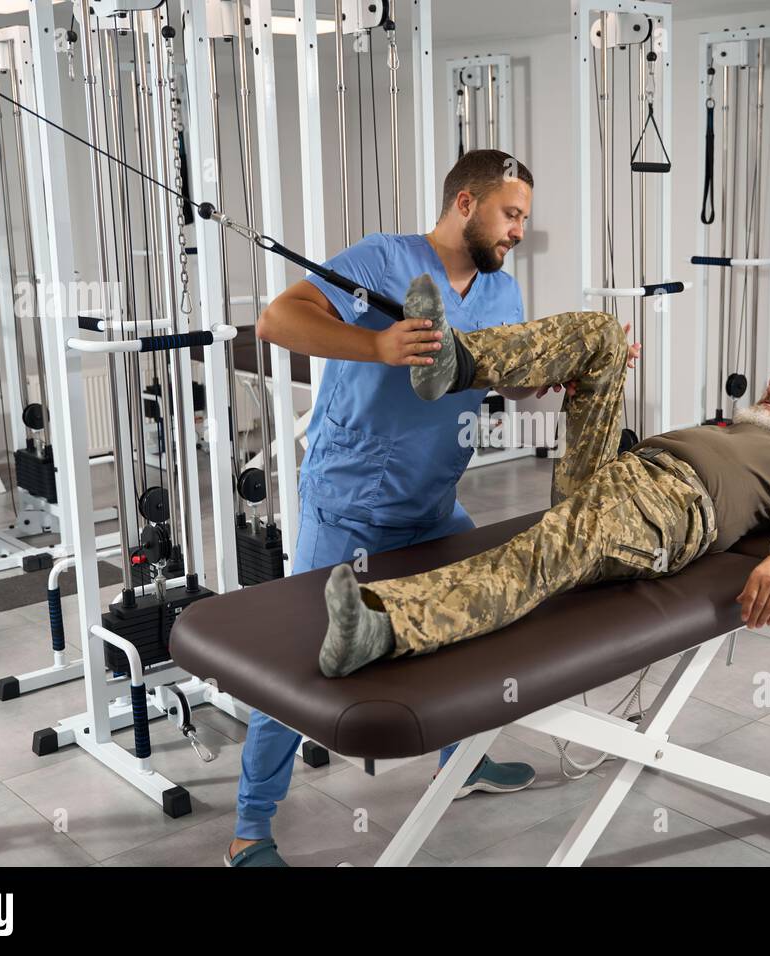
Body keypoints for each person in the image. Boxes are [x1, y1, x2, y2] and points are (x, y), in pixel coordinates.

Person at [226, 150, 636, 868]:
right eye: (512, 215)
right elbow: (276, 320)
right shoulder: (384, 261)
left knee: (474, 622)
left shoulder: (502, 295)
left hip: (434, 502)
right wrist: (376, 344)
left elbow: (497, 379)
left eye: (525, 221)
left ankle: (461, 764)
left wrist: (558, 382)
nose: (518, 232)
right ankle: (248, 833)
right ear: (467, 203)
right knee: (301, 668)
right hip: (348, 505)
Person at [317, 276, 770, 676]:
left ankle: (384, 626)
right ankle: (454, 362)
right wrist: (598, 378)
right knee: (603, 336)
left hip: (666, 511)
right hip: (620, 472)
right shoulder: (730, 429)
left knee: (542, 549)